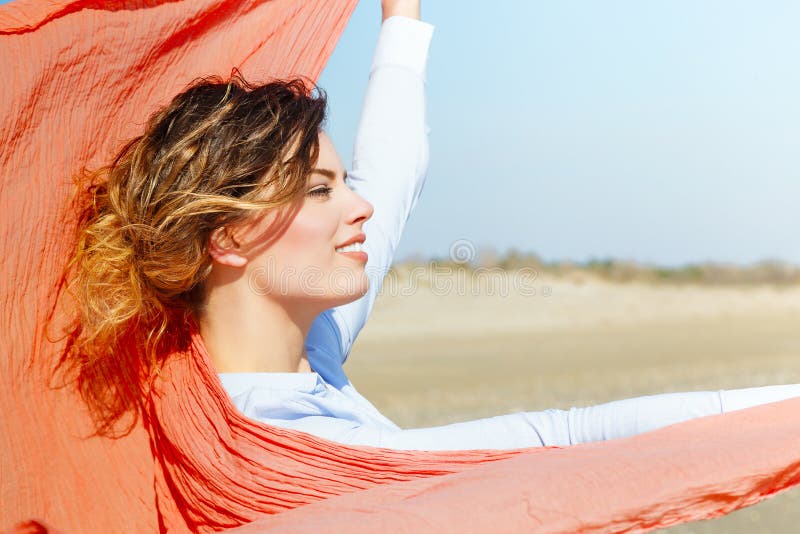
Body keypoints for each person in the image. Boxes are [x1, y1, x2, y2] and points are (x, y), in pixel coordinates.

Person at [64, 0, 800, 449]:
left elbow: (394, 167)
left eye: (342, 182)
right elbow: (559, 439)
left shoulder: (296, 349)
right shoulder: (289, 440)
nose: (360, 206)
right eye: (319, 192)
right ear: (224, 237)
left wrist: (399, 16)